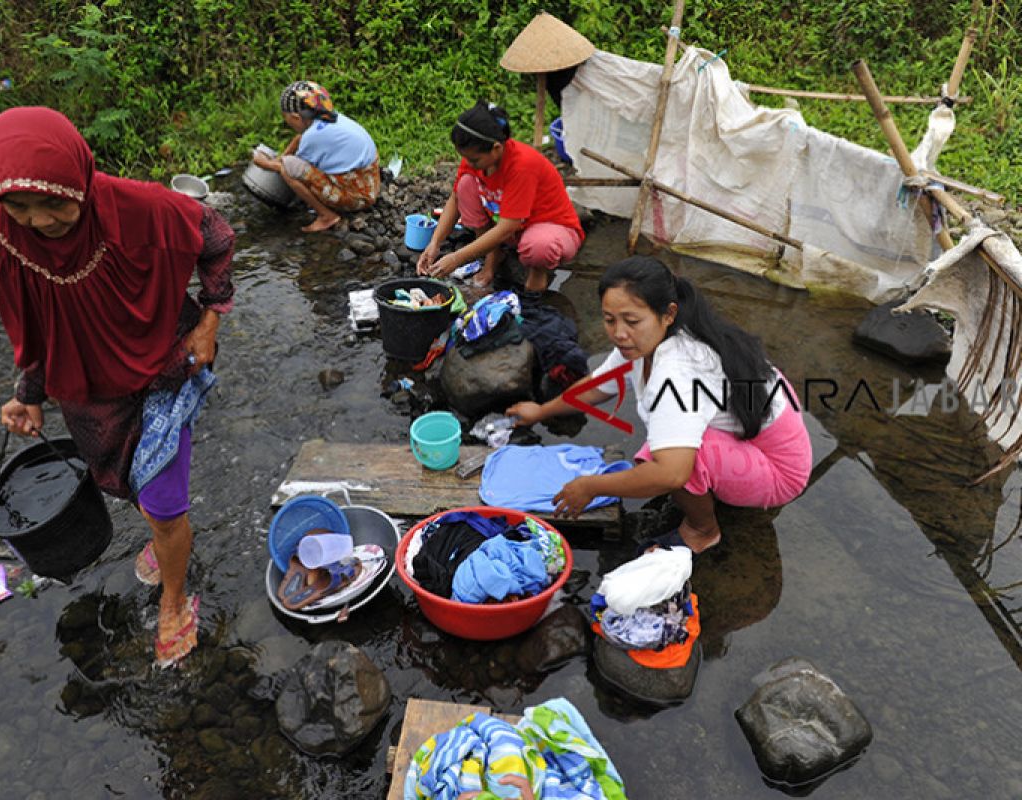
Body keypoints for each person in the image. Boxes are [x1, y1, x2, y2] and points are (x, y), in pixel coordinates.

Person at [0, 106, 236, 667]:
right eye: (18, 205)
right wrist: (28, 394)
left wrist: (210, 319)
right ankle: (164, 541)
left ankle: (173, 600)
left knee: (166, 502)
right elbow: (33, 326)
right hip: (89, 390)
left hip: (164, 365)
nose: (41, 221)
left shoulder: (139, 207)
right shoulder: (7, 246)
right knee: (129, 484)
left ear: (79, 176)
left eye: (55, 202)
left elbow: (216, 237)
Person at [507, 256, 812, 552]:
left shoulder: (677, 371)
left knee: (666, 460)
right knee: (662, 450)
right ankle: (715, 485)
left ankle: (704, 531)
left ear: (668, 314)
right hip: (761, 425)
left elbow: (672, 474)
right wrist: (541, 411)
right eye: (609, 320)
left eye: (632, 321)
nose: (619, 334)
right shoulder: (646, 341)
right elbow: (596, 387)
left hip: (780, 468)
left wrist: (590, 486)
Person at [417, 101, 583, 292]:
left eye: (474, 159)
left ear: (496, 148)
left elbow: (507, 227)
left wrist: (457, 258)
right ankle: (492, 257)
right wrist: (435, 243)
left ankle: (538, 272)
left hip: (549, 227)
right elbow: (455, 200)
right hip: (510, 226)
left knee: (539, 246)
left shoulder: (522, 166)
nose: (469, 163)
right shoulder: (476, 161)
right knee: (466, 185)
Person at [250, 80, 380, 233]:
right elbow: (299, 139)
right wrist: (279, 158)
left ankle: (327, 216)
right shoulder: (329, 119)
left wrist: (263, 162)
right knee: (290, 163)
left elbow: (288, 167)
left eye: (287, 120)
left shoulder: (313, 136)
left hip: (359, 198)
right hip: (369, 183)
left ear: (296, 117)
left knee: (287, 169)